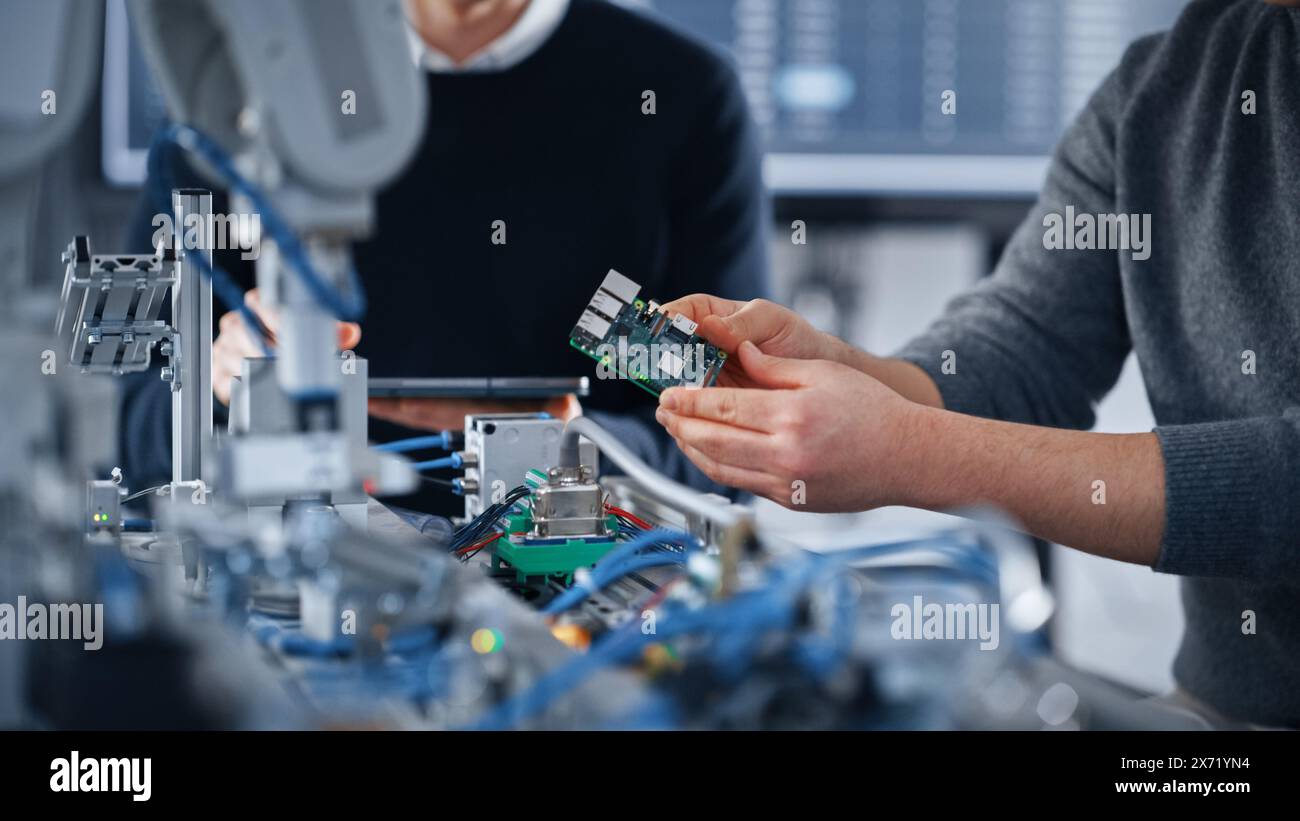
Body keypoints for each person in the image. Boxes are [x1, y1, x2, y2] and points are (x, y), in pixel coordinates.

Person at [653, 0, 1300, 728]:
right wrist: (833, 371)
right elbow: (1027, 343)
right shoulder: (1168, 83)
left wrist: (905, 450)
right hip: (1220, 715)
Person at [117, 0, 770, 513]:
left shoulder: (673, 101)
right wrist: (221, 387)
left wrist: (564, 448)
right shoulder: (249, 89)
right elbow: (135, 430)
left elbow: (722, 434)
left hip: (576, 590)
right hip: (296, 583)